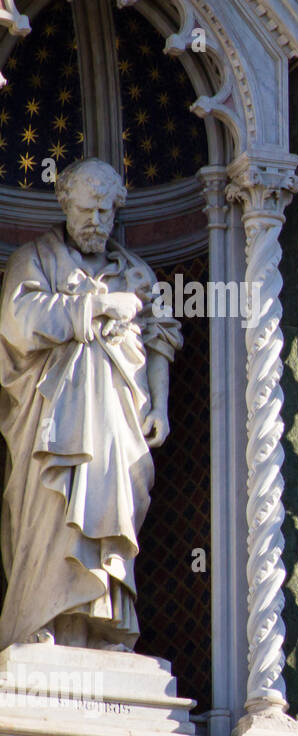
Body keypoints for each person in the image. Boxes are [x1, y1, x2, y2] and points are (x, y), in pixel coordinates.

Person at [0, 157, 182, 652]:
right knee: (51, 514)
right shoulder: (34, 260)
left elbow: (160, 337)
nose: (96, 222)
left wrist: (159, 405)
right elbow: (18, 320)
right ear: (64, 204)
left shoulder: (136, 273)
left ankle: (104, 626)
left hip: (119, 421)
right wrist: (95, 306)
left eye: (105, 212)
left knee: (115, 508)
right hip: (53, 424)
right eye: (86, 211)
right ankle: (39, 620)